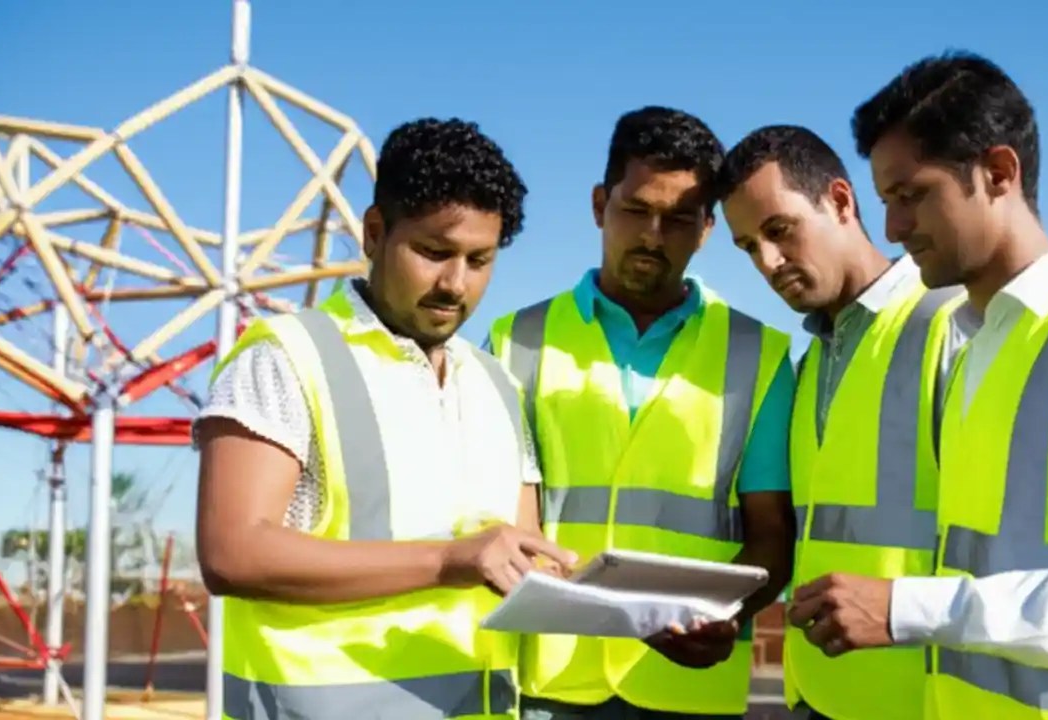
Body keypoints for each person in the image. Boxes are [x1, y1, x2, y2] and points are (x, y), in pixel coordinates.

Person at [791, 50, 1048, 720]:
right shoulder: (981, 346)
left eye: (911, 196)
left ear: (998, 173)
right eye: (884, 203)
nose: (894, 230)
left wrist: (910, 608)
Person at [194, 117, 577, 720]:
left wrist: (644, 619)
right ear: (374, 233)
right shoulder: (287, 355)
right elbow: (232, 552)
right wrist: (447, 561)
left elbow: (516, 567)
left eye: (480, 260)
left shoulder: (497, 384)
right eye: (433, 252)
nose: (456, 284)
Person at [484, 105, 796, 719]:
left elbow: (772, 534)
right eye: (636, 210)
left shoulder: (761, 354)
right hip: (551, 682)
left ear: (707, 228)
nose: (654, 235)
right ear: (600, 204)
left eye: (679, 219)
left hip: (692, 687)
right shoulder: (515, 339)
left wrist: (727, 618)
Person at [716, 125, 964, 720]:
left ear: (842, 201)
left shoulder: (955, 326)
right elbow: (800, 551)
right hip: (812, 699)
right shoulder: (805, 368)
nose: (768, 263)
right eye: (749, 246)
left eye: (779, 231)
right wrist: (766, 698)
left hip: (924, 701)